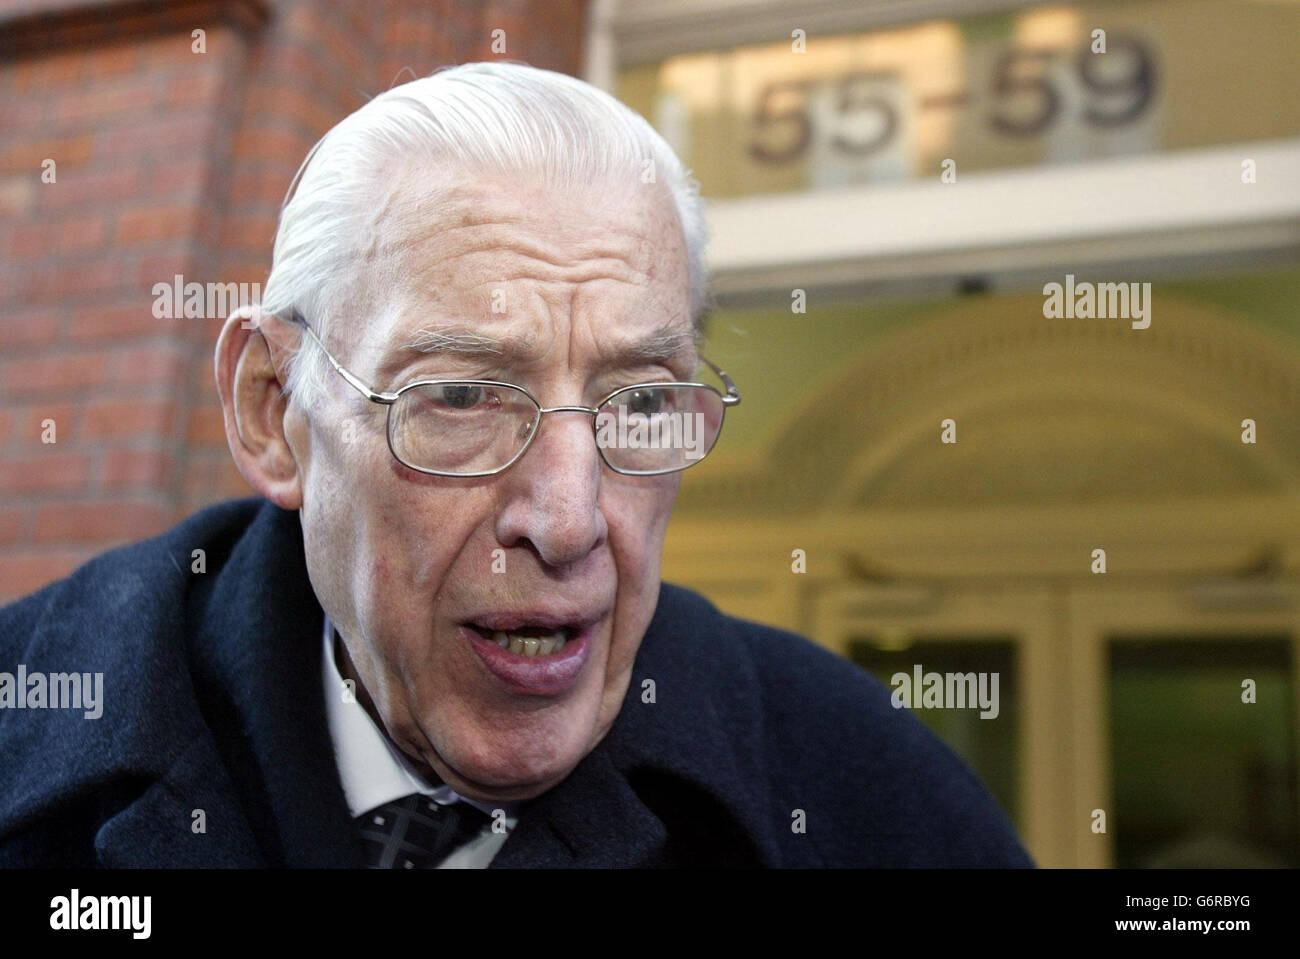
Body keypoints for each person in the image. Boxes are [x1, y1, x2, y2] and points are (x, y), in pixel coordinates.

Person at [0, 62, 1031, 868]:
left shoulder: (866, 788)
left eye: (636, 399)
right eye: (459, 397)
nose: (570, 518)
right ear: (274, 409)